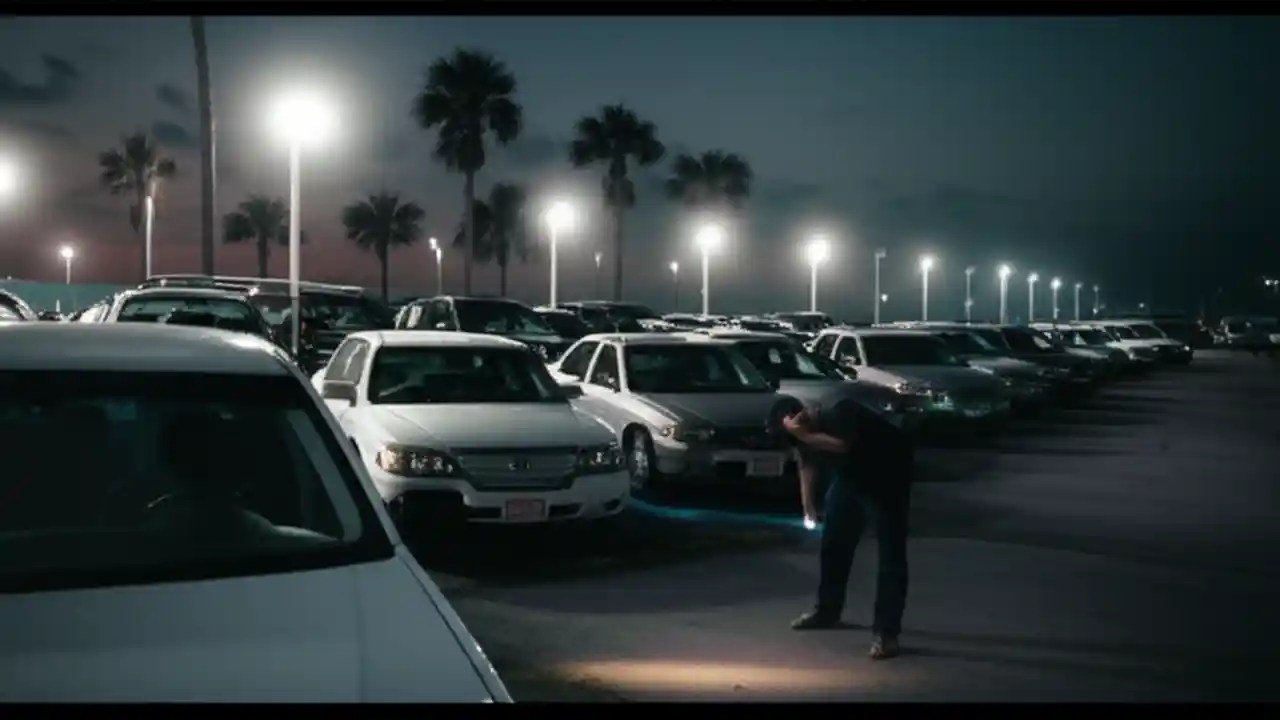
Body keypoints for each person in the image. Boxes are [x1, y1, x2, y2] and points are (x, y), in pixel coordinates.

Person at [783, 395, 915, 660]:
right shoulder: (802, 434)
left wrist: (800, 433)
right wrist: (808, 508)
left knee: (890, 555)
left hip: (887, 476)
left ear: (806, 418)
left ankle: (886, 634)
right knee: (834, 543)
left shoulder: (841, 411)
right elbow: (806, 466)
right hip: (850, 478)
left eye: (798, 431)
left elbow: (841, 445)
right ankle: (827, 611)